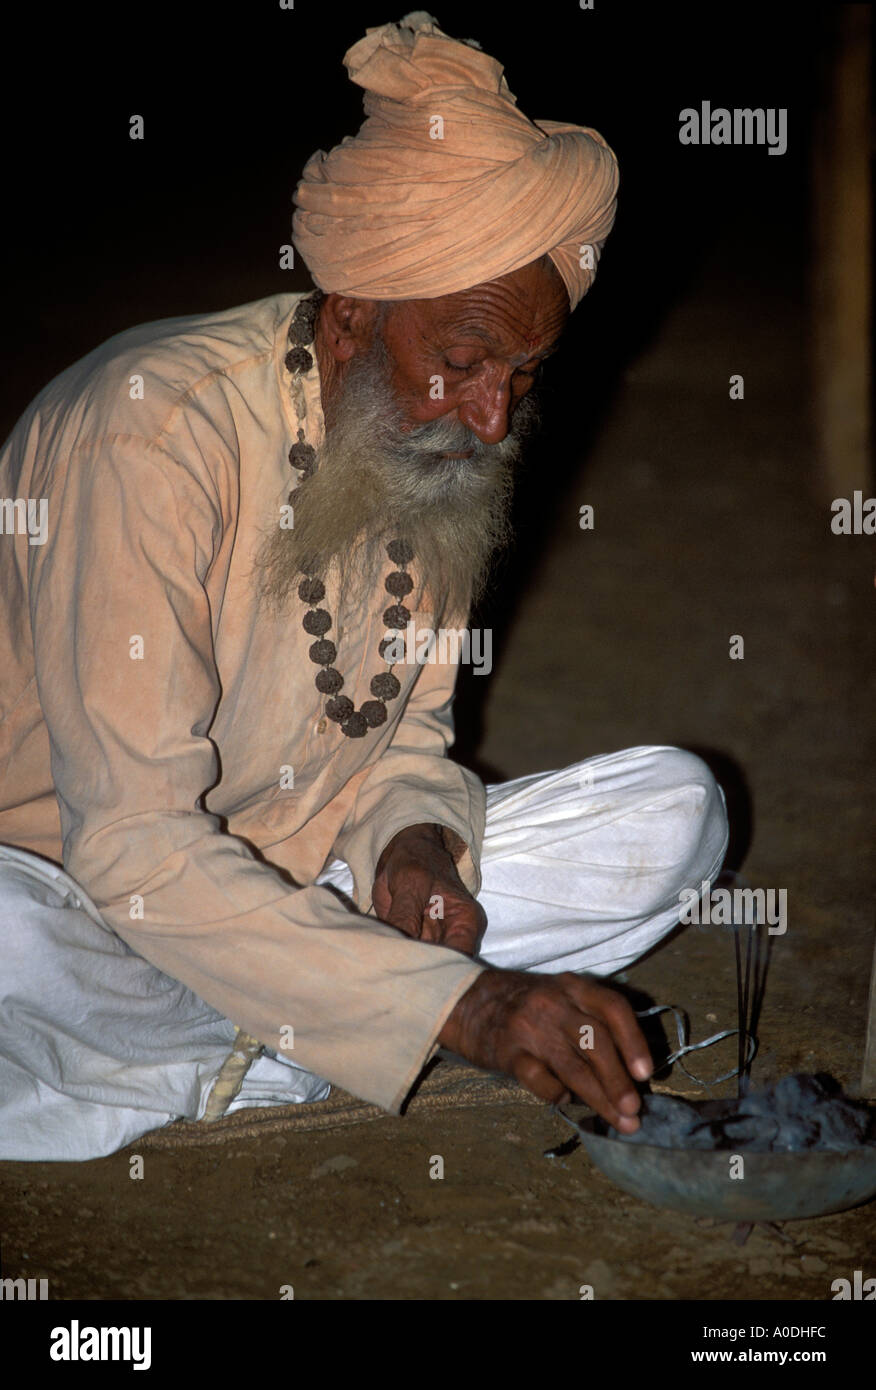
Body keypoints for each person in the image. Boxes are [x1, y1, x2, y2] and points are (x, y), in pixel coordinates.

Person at [0, 12, 728, 1160]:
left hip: (304, 884)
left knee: (677, 812)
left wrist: (413, 846)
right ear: (351, 317)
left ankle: (272, 1034)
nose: (494, 417)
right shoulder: (147, 434)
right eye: (465, 361)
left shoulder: (433, 448)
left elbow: (405, 744)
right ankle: (310, 1030)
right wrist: (466, 1004)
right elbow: (132, 845)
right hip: (80, 893)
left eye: (524, 374)